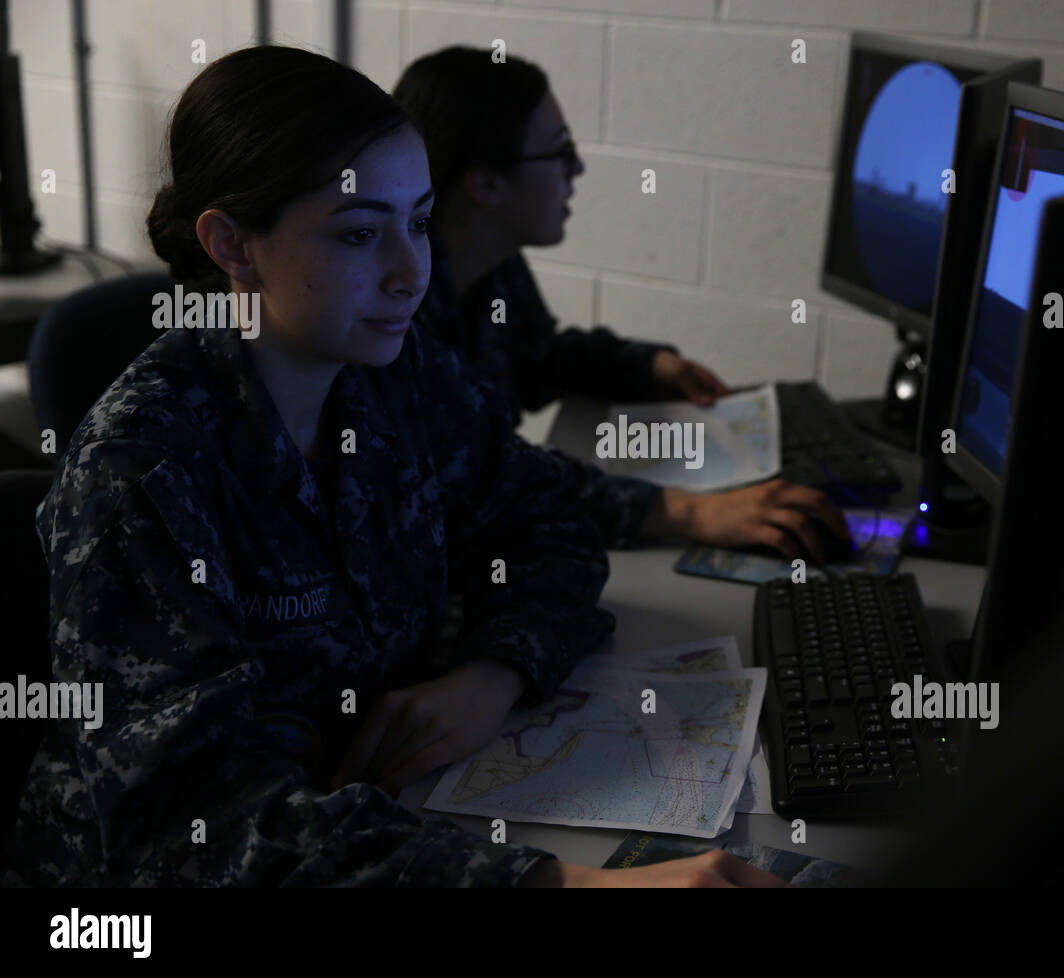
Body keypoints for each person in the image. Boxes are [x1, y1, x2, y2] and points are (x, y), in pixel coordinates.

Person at [2, 46, 784, 889]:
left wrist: (491, 674)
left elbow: (550, 521)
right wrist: (563, 887)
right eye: (361, 233)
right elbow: (196, 831)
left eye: (418, 220)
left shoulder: (394, 373)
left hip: (399, 819)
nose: (411, 272)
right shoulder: (143, 467)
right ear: (233, 244)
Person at [393, 47, 851, 563]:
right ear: (486, 185)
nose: (579, 167)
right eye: (559, 150)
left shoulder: (488, 259)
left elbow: (537, 360)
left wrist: (650, 365)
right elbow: (485, 479)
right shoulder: (392, 315)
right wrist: (689, 513)